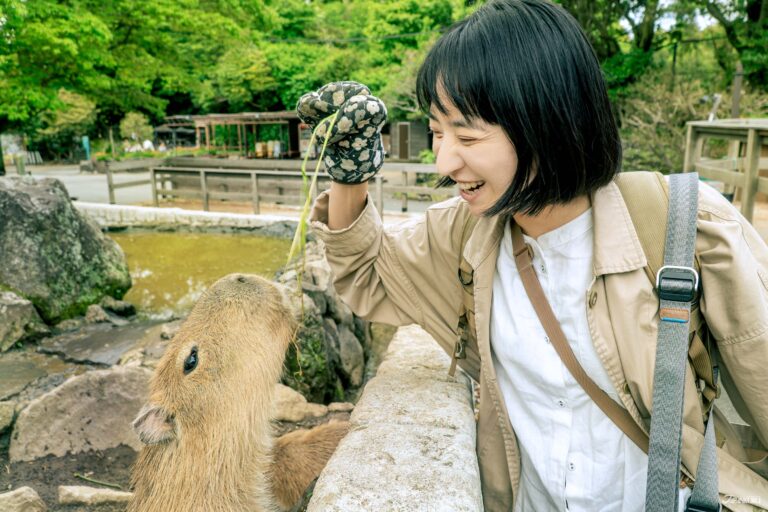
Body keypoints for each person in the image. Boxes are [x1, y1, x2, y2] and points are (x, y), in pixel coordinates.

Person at [299, 1, 768, 510]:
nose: (444, 159)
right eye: (437, 132)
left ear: (547, 122)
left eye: (467, 135)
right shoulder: (464, 235)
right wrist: (351, 174)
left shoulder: (683, 227)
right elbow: (369, 276)